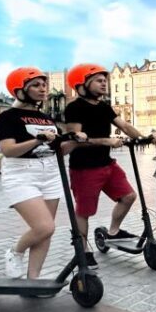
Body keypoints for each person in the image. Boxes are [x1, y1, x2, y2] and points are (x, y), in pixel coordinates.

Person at [64, 64, 146, 267]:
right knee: (84, 211)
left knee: (128, 196)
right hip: (84, 168)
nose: (104, 83)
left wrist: (143, 138)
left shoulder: (104, 107)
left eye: (104, 80)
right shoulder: (74, 108)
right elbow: (76, 140)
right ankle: (83, 249)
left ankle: (113, 233)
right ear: (83, 84)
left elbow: (124, 126)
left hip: (106, 164)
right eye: (99, 80)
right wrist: (106, 141)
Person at [0, 67, 61, 280]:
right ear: (20, 89)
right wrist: (38, 139)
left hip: (49, 172)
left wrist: (74, 141)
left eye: (44, 85)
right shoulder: (8, 117)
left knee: (46, 232)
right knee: (44, 226)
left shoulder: (45, 117)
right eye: (36, 85)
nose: (43, 89)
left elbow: (57, 149)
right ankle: (15, 252)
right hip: (21, 173)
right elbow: (8, 150)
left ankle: (34, 279)